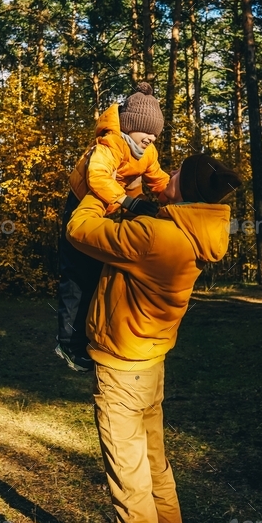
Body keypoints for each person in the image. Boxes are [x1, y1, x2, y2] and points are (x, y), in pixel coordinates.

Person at [66, 153, 242, 523]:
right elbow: (160, 194)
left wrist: (94, 190)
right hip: (151, 363)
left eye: (173, 183)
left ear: (185, 196)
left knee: (131, 491)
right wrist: (146, 186)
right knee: (158, 477)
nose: (163, 186)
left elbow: (83, 230)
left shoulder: (156, 238)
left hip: (122, 369)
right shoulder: (194, 231)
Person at [56, 82, 170, 373]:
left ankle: (93, 340)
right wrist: (129, 203)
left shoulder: (148, 153)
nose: (151, 137)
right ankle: (68, 345)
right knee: (77, 277)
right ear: (130, 125)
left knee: (101, 277)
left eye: (156, 132)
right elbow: (97, 176)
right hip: (82, 206)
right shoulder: (110, 143)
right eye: (147, 131)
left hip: (110, 211)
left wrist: (174, 203)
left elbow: (159, 181)